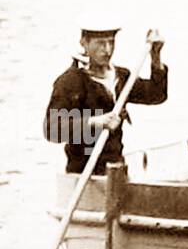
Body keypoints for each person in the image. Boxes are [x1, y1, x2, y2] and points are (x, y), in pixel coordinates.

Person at [45, 24, 168, 174]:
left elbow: (156, 95)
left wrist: (155, 57)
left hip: (115, 170)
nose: (108, 50)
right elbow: (52, 129)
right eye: (101, 43)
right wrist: (96, 122)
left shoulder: (121, 77)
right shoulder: (71, 82)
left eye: (111, 42)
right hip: (83, 173)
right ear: (84, 42)